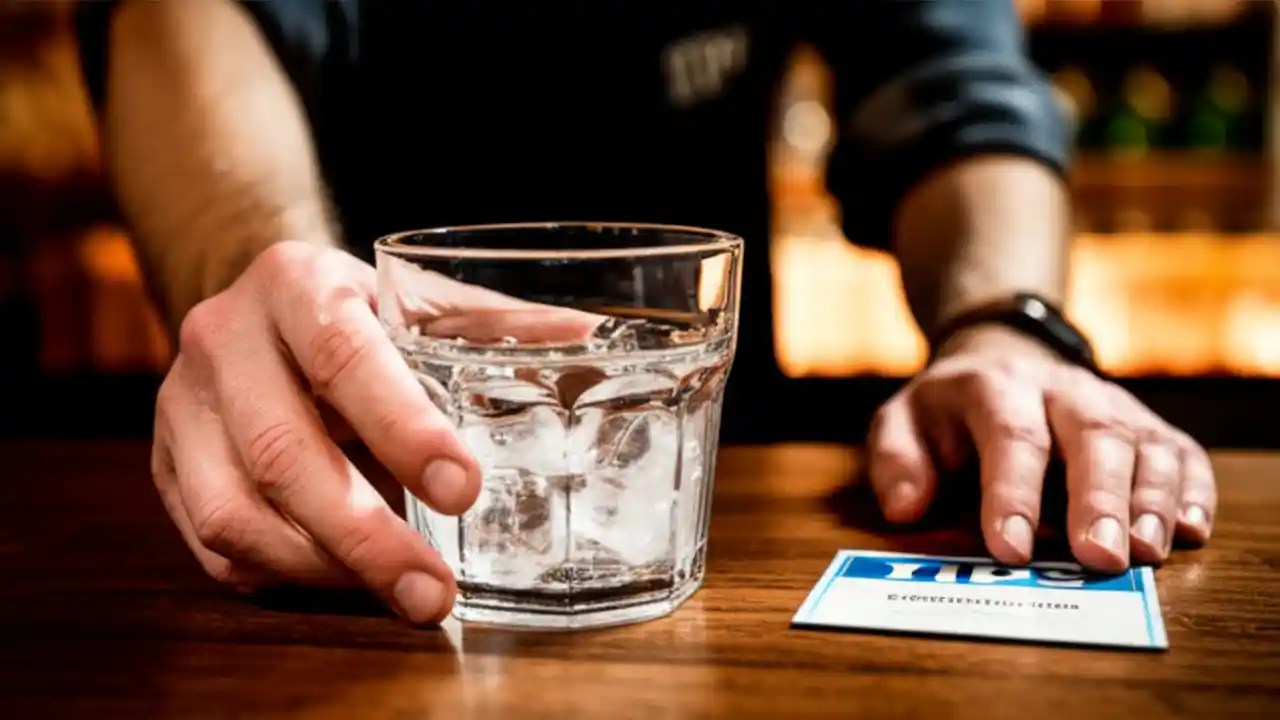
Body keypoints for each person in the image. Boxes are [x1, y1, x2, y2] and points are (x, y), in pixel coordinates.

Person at [75, 0, 1216, 625]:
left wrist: (1003, 323)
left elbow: (952, 81)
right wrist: (254, 265)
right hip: (357, 521)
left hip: (712, 550)